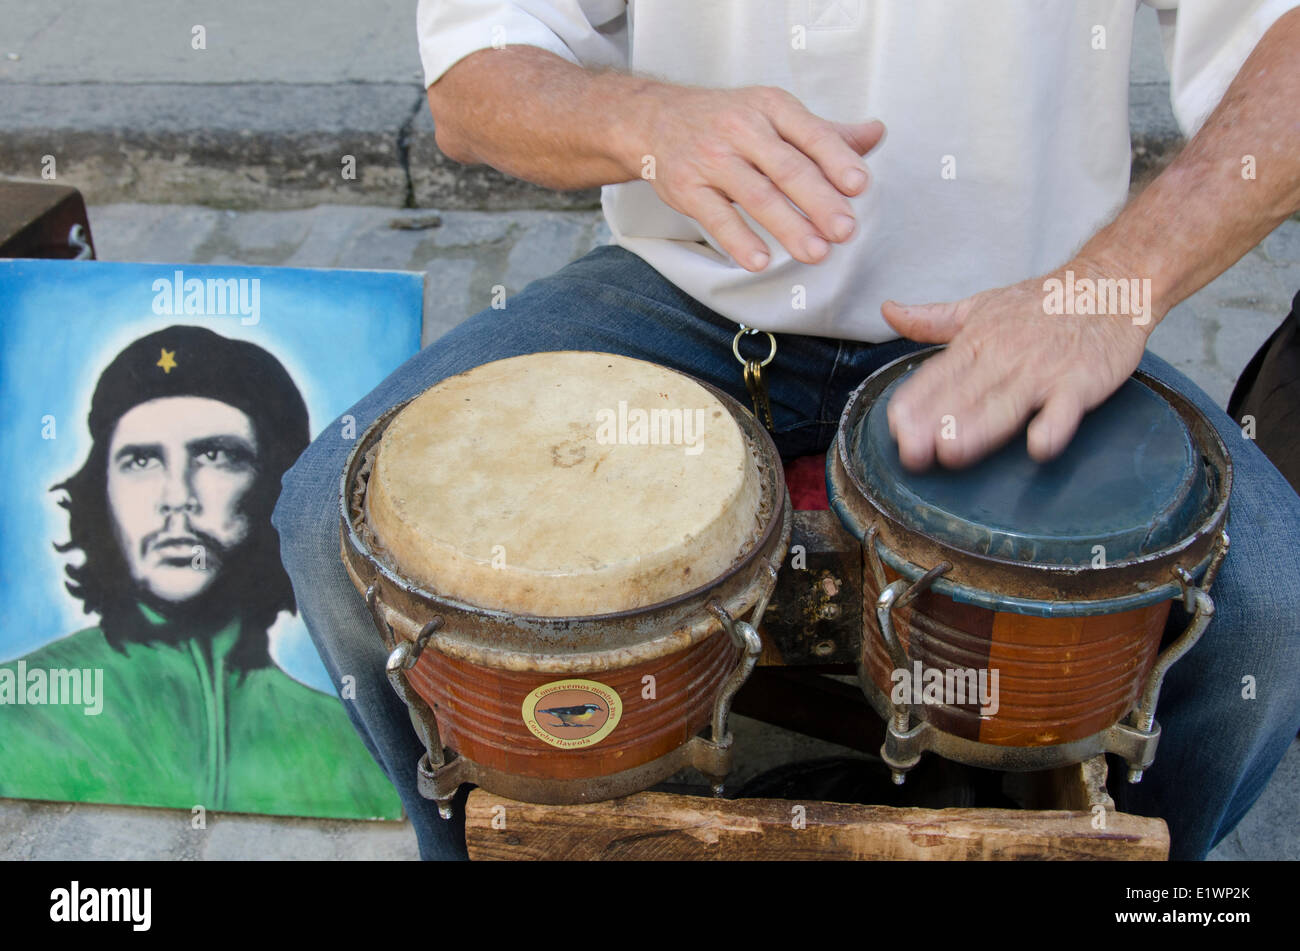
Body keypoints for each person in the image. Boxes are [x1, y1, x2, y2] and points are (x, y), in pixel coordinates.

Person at [273, 0, 1300, 858]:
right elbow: (471, 76)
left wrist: (1105, 289)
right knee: (331, 522)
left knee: (1267, 607)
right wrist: (647, 120)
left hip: (1022, 315)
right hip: (685, 295)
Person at [0, 326, 399, 819]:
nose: (176, 497)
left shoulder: (350, 741)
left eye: (215, 455)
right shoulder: (18, 711)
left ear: (272, 483)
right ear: (99, 488)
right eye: (141, 459)